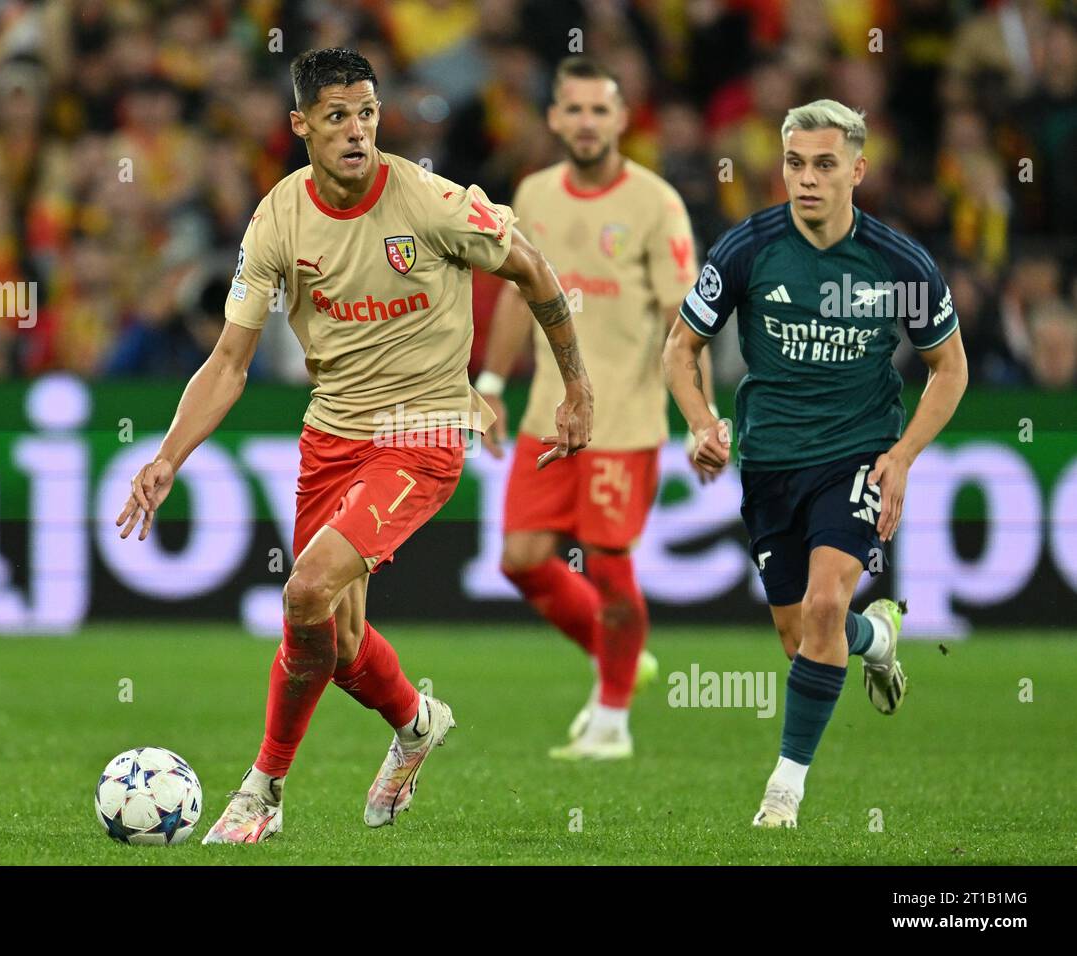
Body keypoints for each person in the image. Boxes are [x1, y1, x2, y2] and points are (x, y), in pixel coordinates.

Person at [114, 48, 593, 843]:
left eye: (367, 113)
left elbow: (535, 272)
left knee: (304, 592)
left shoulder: (431, 202)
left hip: (425, 433)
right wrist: (168, 456)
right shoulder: (277, 218)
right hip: (332, 435)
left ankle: (262, 791)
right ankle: (415, 721)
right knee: (333, 641)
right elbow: (229, 361)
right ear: (301, 125)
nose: (356, 131)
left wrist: (575, 387)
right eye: (337, 116)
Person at [662, 99, 968, 828]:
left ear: (858, 170)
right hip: (770, 460)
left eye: (825, 164)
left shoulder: (901, 263)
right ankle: (879, 637)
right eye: (795, 163)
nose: (807, 179)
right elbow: (680, 348)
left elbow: (948, 369)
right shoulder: (748, 247)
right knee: (807, 639)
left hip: (856, 454)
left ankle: (784, 790)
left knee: (828, 604)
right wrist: (702, 422)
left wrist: (901, 456)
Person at [477, 56, 710, 760]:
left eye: (598, 110)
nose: (585, 122)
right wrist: (490, 381)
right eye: (572, 110)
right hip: (546, 416)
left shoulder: (656, 203)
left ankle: (611, 721)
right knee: (520, 559)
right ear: (554, 118)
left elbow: (683, 317)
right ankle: (621, 658)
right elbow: (522, 293)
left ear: (620, 119)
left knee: (609, 566)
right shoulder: (534, 193)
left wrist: (700, 416)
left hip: (625, 419)